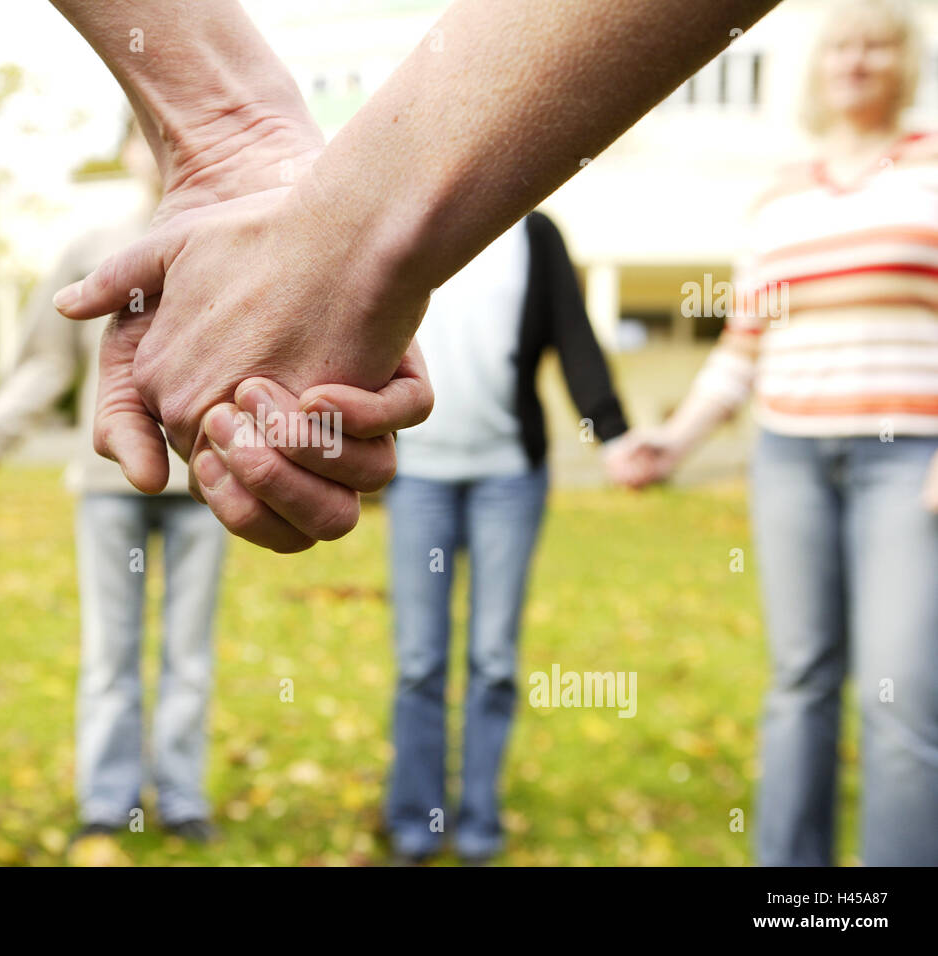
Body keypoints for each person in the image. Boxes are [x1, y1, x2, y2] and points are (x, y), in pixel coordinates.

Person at [45, 0, 785, 552]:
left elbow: (573, 338)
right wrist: (242, 142)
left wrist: (333, 226)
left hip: (503, 466)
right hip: (427, 465)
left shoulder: (539, 238)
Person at [615, 0, 938, 866]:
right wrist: (674, 441)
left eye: (876, 44)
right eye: (841, 46)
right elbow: (745, 342)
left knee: (900, 692)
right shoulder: (780, 198)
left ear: (903, 62)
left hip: (909, 458)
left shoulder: (932, 168)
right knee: (800, 681)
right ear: (819, 67)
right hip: (790, 455)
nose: (857, 61)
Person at [0, 121, 227, 844]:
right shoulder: (91, 249)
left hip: (202, 485)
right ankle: (107, 800)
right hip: (105, 486)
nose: (154, 150)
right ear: (124, 151)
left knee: (189, 649)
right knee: (109, 650)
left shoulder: (225, 243)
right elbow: (47, 360)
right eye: (140, 136)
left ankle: (182, 798)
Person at [383, 213, 631, 864]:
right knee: (419, 662)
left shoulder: (537, 234)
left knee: (493, 660)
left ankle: (479, 824)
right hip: (417, 475)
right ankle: (414, 819)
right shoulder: (408, 221)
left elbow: (574, 336)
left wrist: (613, 433)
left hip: (508, 479)